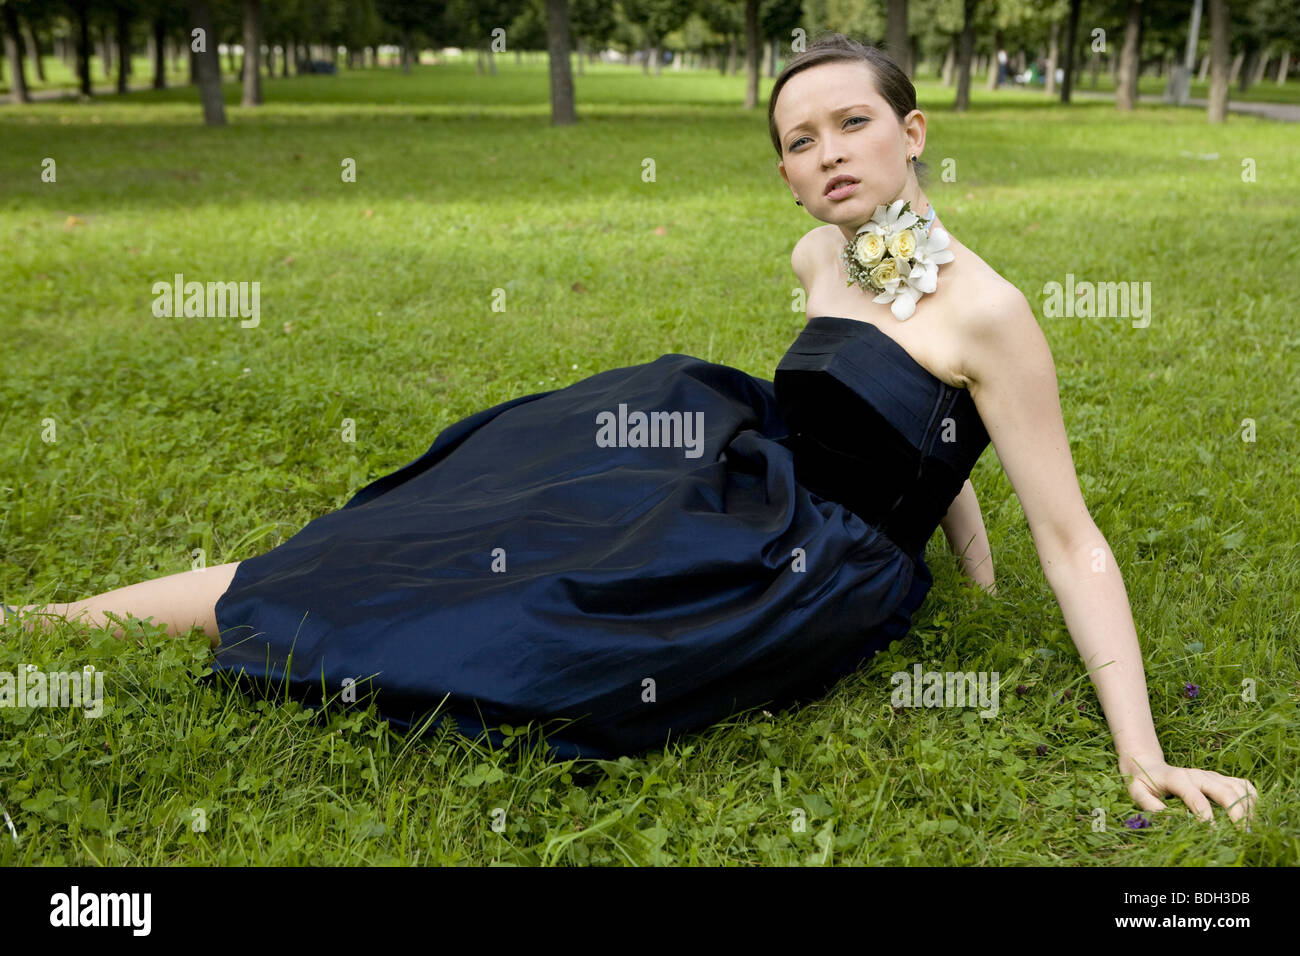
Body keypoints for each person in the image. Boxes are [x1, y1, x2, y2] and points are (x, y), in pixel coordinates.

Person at [2, 33, 1256, 826]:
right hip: (737, 462)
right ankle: (55, 625)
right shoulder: (818, 248)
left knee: (537, 623)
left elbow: (1072, 536)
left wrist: (1141, 752)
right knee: (482, 504)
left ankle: (246, 614)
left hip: (805, 562)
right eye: (796, 140)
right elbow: (910, 420)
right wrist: (962, 545)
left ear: (913, 130)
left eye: (852, 123)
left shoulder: (992, 314)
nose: (825, 155)